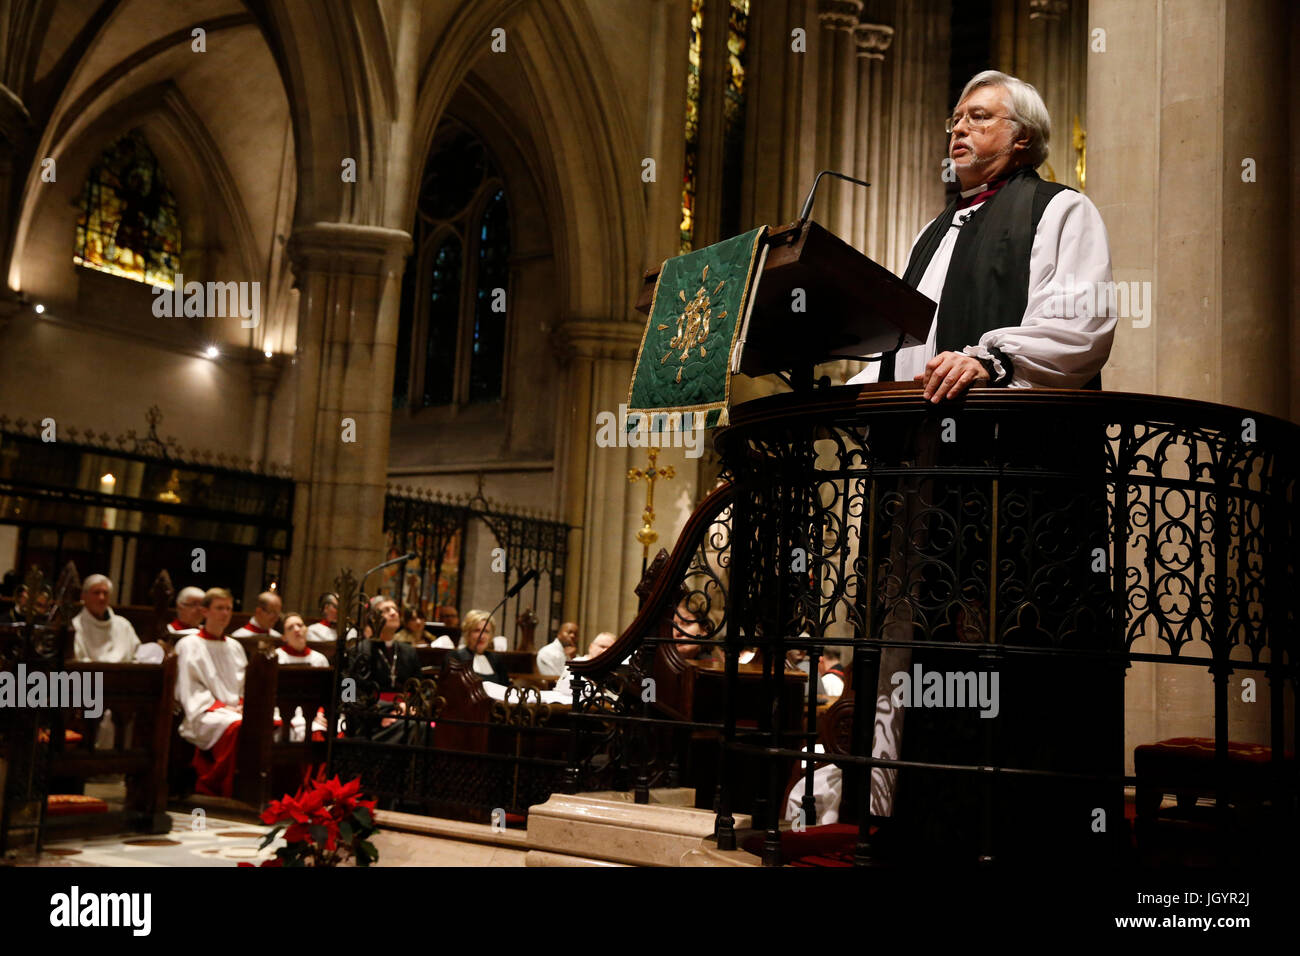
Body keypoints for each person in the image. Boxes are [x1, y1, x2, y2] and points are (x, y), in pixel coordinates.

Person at [848, 69, 1114, 398]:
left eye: (979, 117)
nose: (959, 128)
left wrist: (989, 363)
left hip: (1009, 431)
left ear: (1023, 136)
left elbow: (1079, 324)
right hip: (917, 433)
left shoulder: (1060, 209)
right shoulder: (931, 233)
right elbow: (906, 348)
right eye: (956, 119)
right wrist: (850, 395)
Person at [174, 588, 247, 797]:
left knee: (272, 723)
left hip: (236, 710)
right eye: (219, 608)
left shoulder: (235, 647)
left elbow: (245, 684)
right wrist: (223, 707)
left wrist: (242, 704)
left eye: (229, 609)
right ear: (204, 611)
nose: (225, 613)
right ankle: (221, 789)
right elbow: (190, 688)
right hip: (204, 713)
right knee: (236, 727)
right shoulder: (189, 645)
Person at [72, 574, 142, 662]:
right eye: (96, 593)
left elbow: (137, 656)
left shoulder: (123, 625)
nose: (102, 598)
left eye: (105, 593)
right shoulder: (76, 627)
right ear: (84, 596)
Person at [448, 609, 509, 685]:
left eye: (486, 631)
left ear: (491, 636)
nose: (482, 636)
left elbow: (505, 688)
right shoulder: (456, 657)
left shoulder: (496, 660)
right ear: (468, 633)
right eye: (477, 630)